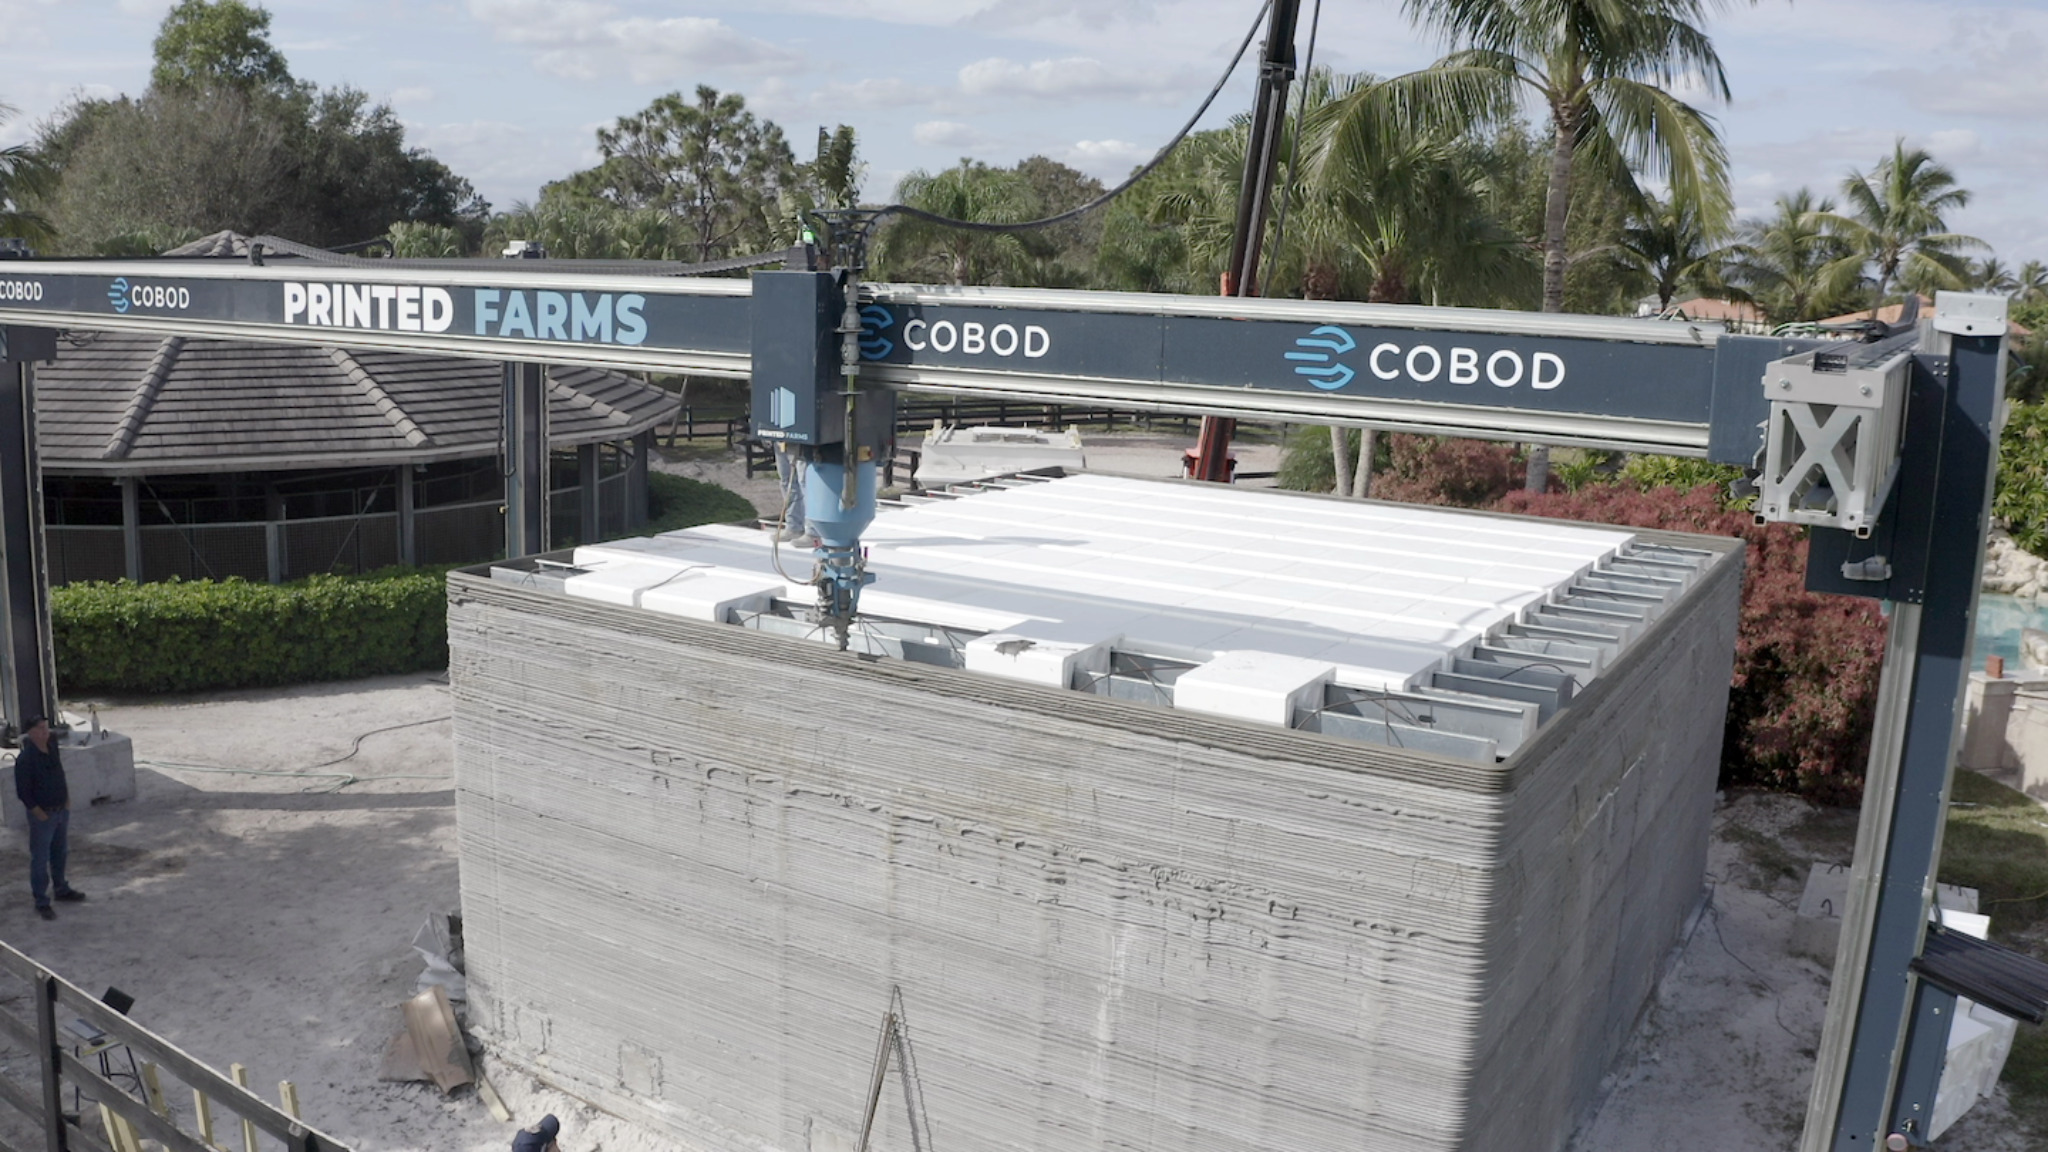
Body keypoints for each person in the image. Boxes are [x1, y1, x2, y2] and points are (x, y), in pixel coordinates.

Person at [13, 716, 84, 921]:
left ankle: (61, 889)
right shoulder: (26, 759)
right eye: (41, 729)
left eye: (46, 728)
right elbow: (23, 791)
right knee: (40, 857)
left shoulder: (52, 748)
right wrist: (38, 813)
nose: (46, 732)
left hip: (61, 810)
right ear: (31, 733)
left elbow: (59, 774)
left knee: (60, 852)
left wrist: (66, 800)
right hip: (44, 815)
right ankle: (41, 901)